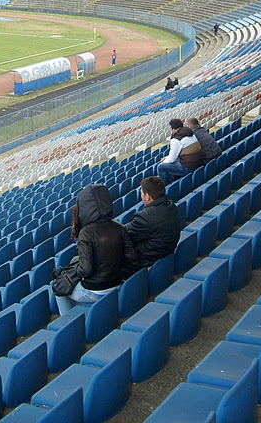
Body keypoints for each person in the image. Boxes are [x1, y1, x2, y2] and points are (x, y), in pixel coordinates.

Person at [54, 184, 136, 315]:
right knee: (75, 260)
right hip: (118, 283)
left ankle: (68, 321)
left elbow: (86, 269)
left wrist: (75, 273)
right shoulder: (118, 226)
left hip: (96, 290)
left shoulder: (86, 233)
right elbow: (131, 257)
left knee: (59, 289)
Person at [122, 176, 181, 277]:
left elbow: (123, 234)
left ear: (147, 196)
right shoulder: (171, 206)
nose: (141, 196)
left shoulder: (145, 217)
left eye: (141, 193)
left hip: (146, 260)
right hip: (165, 252)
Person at [156, 119, 203, 184]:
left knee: (161, 166)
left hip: (189, 167)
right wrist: (166, 158)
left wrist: (164, 160)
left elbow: (172, 159)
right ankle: (174, 183)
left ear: (172, 128)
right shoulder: (190, 133)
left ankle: (165, 187)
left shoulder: (176, 140)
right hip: (199, 162)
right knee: (172, 161)